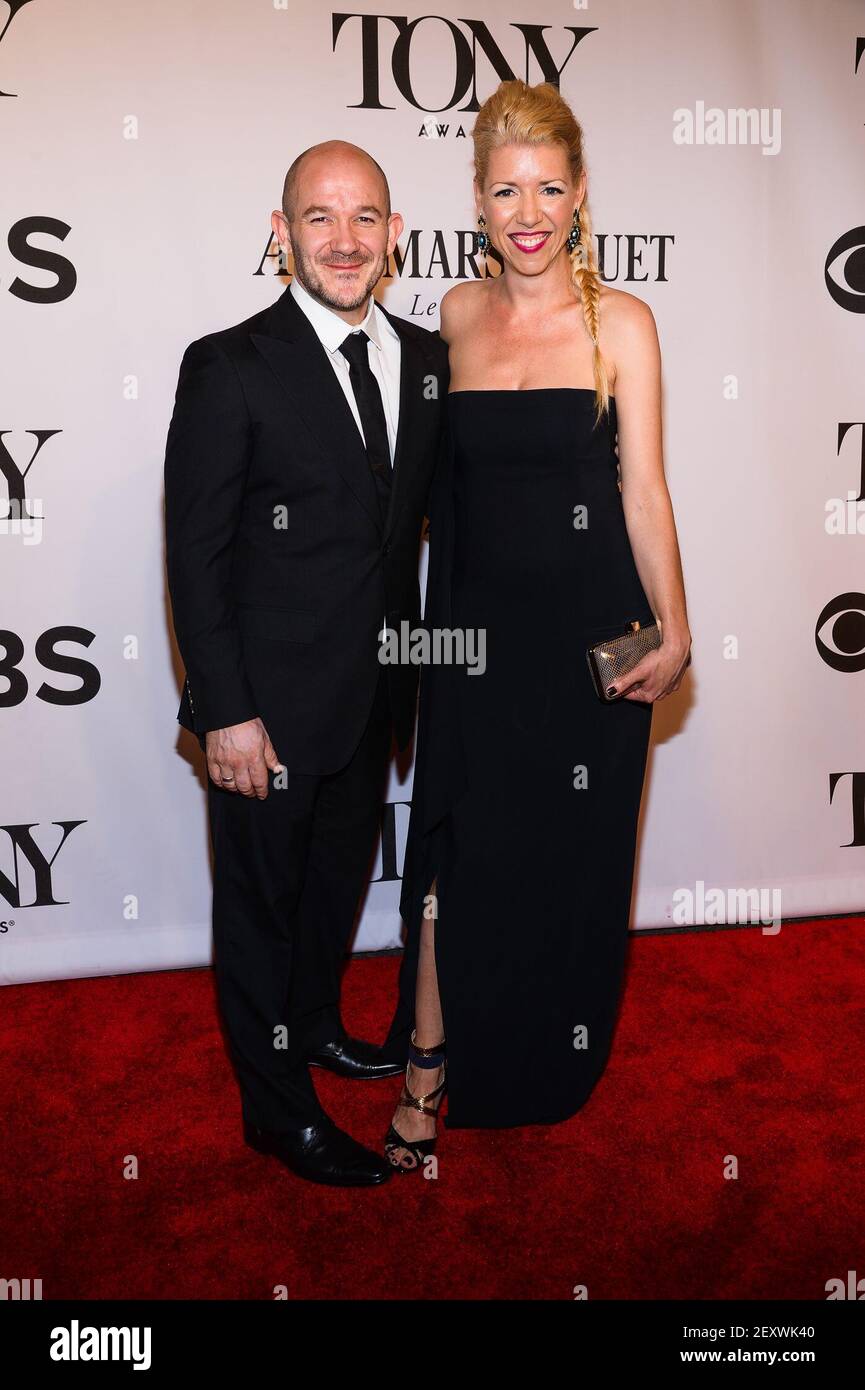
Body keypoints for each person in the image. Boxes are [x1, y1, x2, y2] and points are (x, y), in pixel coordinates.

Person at [381, 80, 692, 1170]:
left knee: (562, 859)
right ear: (475, 198)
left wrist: (676, 625)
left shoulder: (625, 326)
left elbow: (642, 494)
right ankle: (427, 1063)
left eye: (548, 188)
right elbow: (427, 500)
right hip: (471, 642)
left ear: (580, 196)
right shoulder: (455, 319)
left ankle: (537, 1059)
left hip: (585, 647)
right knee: (448, 851)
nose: (527, 210)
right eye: (505, 188)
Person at [164, 140, 448, 1186]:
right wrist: (225, 711)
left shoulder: (424, 361)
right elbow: (193, 555)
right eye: (319, 218)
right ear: (280, 235)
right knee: (262, 910)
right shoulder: (229, 363)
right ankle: (277, 1114)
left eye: (365, 216)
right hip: (268, 714)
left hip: (373, 697)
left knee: (330, 892)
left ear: (396, 235)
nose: (344, 239)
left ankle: (316, 1025)